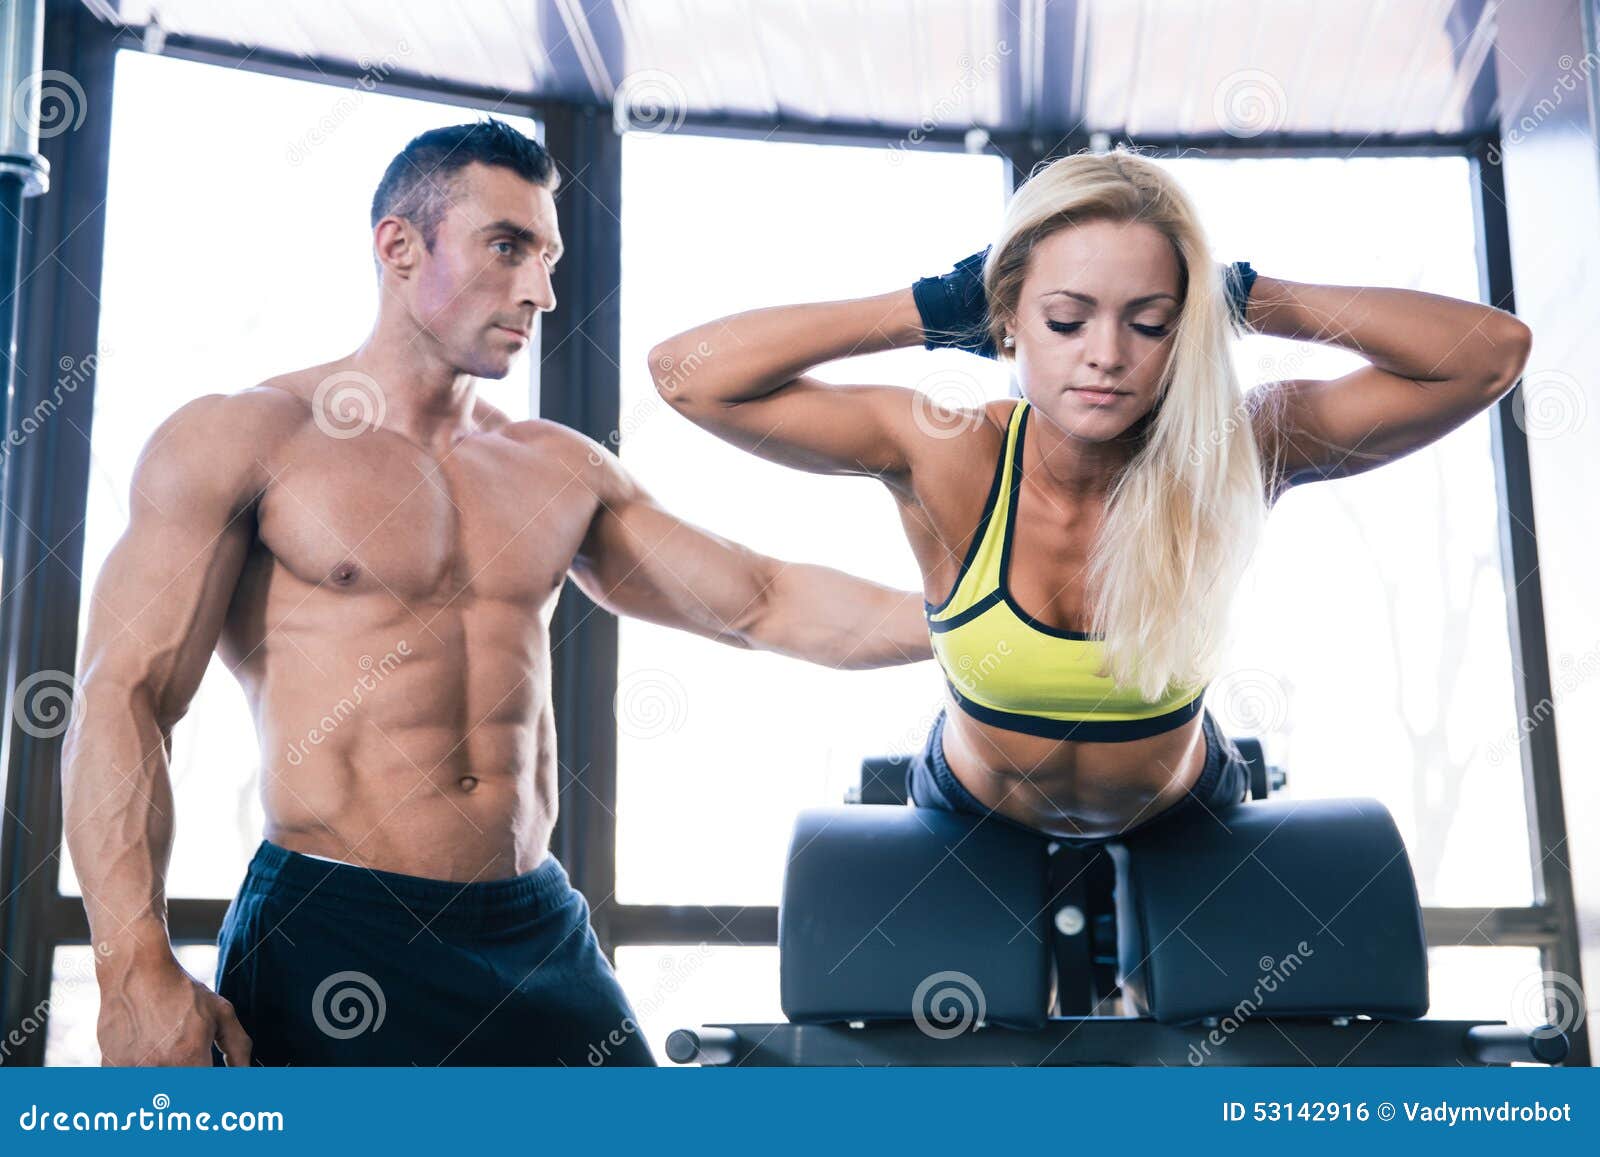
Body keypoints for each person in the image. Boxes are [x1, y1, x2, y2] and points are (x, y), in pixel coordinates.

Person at [60, 118, 931, 1068]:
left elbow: (763, 598)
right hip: (336, 923)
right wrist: (131, 967)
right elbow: (123, 696)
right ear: (399, 246)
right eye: (507, 247)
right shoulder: (245, 440)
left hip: (533, 923)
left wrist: (986, 626)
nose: (540, 290)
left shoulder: (553, 468)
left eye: (548, 257)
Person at [648, 147, 1531, 850]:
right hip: (973, 814)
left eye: (1150, 322)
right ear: (1006, 321)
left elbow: (1489, 353)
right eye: (1066, 320)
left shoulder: (1236, 446)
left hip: (1183, 813)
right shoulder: (953, 454)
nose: (1106, 353)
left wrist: (1244, 296)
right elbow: (690, 378)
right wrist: (926, 306)